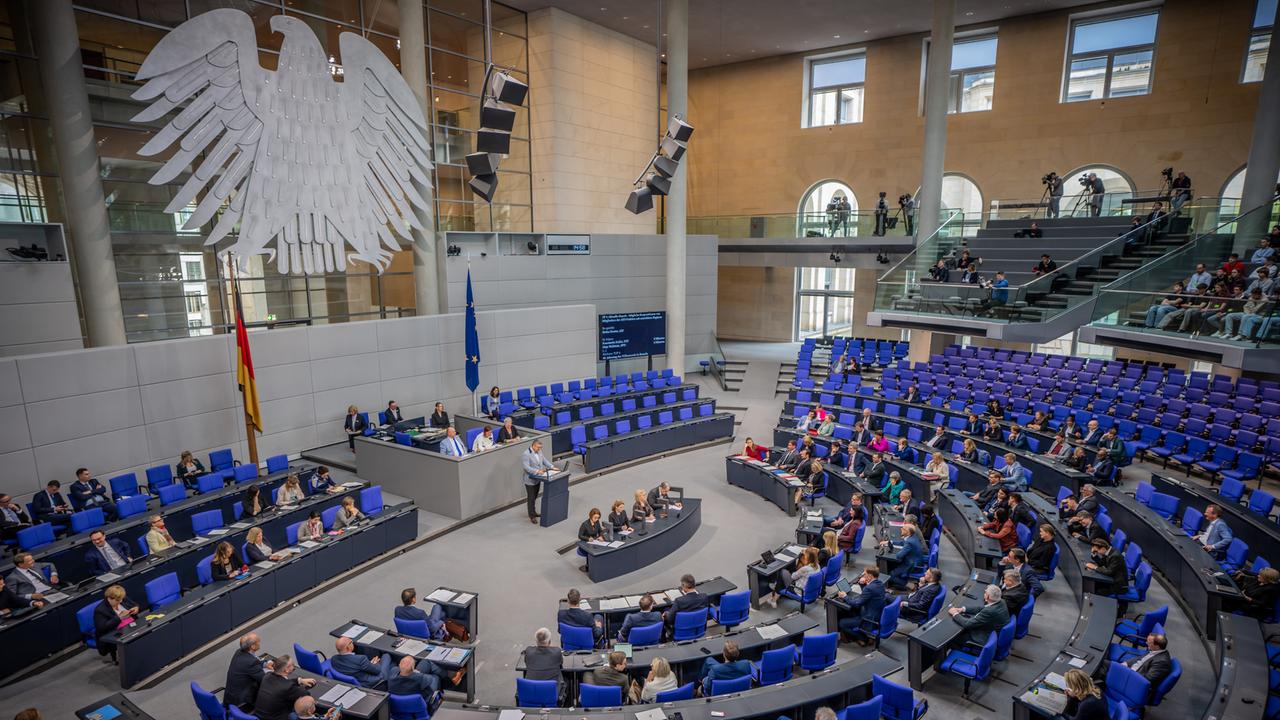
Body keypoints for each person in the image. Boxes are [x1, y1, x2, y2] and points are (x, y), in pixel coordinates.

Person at [253, 655, 317, 720]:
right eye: (292, 665)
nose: (294, 666)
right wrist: (302, 687)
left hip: (258, 715)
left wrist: (299, 680)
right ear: (286, 670)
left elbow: (282, 682)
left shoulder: (267, 676)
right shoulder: (288, 687)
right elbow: (305, 694)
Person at [835, 567, 887, 646]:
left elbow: (857, 603)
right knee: (851, 611)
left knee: (842, 623)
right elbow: (867, 596)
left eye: (864, 574)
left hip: (868, 619)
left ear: (870, 576)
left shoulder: (869, 588)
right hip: (877, 615)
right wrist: (862, 585)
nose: (863, 575)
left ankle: (864, 638)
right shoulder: (880, 584)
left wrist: (845, 596)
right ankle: (849, 636)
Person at [93, 584, 139, 662]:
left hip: (132, 625)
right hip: (116, 631)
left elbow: (135, 605)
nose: (121, 601)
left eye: (121, 599)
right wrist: (119, 617)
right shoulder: (100, 610)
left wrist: (136, 608)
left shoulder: (121, 598)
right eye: (117, 600)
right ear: (109, 599)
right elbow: (102, 627)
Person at [225, 633, 269, 711]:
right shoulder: (251, 662)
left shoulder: (239, 652)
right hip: (242, 703)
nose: (260, 642)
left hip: (230, 698)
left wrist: (265, 664)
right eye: (258, 641)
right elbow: (265, 680)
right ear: (252, 646)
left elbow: (254, 661)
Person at [387, 654, 452, 701]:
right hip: (422, 701)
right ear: (413, 668)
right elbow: (430, 679)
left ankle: (449, 680)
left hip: (400, 701)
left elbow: (395, 669)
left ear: (399, 665)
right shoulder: (419, 678)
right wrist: (417, 673)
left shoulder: (392, 675)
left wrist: (411, 672)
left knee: (425, 662)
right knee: (436, 677)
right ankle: (450, 680)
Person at [880, 522, 924, 590]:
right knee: (891, 566)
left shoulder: (909, 542)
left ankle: (910, 585)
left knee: (891, 575)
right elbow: (902, 543)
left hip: (911, 564)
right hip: (913, 560)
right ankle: (894, 583)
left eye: (903, 528)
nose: (901, 529)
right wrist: (890, 542)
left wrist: (897, 551)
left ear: (908, 532)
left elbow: (899, 556)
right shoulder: (912, 537)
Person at [522, 440, 556, 523]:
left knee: (535, 496)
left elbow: (544, 460)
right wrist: (537, 471)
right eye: (538, 447)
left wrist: (552, 466)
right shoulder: (526, 454)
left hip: (538, 479)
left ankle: (534, 512)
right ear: (533, 446)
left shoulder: (539, 451)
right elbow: (526, 467)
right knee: (531, 498)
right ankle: (532, 516)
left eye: (541, 447)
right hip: (530, 480)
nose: (540, 449)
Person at [522, 627, 563, 696]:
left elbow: (526, 662)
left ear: (536, 641)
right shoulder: (557, 652)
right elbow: (560, 662)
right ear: (549, 641)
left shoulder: (529, 651)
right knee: (567, 679)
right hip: (551, 693)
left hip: (531, 692)